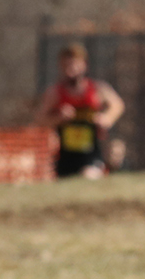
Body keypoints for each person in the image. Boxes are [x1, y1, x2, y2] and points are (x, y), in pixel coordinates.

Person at [34, 43, 124, 179]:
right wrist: (59, 118)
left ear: (84, 65)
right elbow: (39, 118)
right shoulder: (55, 93)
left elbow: (117, 104)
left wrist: (106, 118)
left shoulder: (96, 89)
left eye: (74, 65)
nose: (71, 70)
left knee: (88, 175)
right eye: (66, 66)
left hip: (92, 151)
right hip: (64, 154)